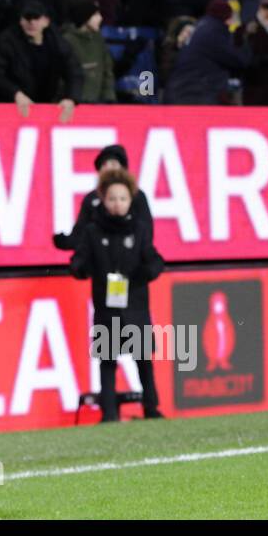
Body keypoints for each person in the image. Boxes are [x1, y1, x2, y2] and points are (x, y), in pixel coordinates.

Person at [68, 166, 165, 422]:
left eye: (123, 198)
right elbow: (79, 261)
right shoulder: (92, 231)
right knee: (107, 360)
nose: (117, 204)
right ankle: (109, 414)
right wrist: (80, 268)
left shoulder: (139, 230)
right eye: (112, 198)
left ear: (131, 200)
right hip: (106, 307)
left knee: (143, 359)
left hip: (135, 305)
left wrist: (144, 273)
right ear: (102, 199)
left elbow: (155, 261)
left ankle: (151, 408)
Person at [0, 0, 82, 122]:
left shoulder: (57, 43)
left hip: (46, 106)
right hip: (10, 107)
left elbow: (74, 72)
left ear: (46, 21)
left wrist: (71, 98)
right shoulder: (6, 41)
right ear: (20, 20)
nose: (31, 23)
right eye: (27, 18)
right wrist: (15, 94)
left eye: (36, 18)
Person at [53, 143, 153, 252]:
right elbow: (81, 235)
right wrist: (66, 241)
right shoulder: (91, 199)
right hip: (101, 259)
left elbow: (146, 233)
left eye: (113, 164)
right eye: (104, 165)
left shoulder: (137, 196)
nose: (108, 168)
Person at [164, 0, 251, 105]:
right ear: (227, 18)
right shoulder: (214, 32)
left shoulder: (201, 27)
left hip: (181, 93)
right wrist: (247, 40)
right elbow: (238, 60)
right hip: (193, 96)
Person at [63, 0, 116, 103]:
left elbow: (107, 72)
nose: (100, 18)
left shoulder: (99, 40)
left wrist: (109, 98)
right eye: (95, 15)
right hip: (72, 106)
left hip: (97, 105)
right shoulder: (67, 41)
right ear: (84, 17)